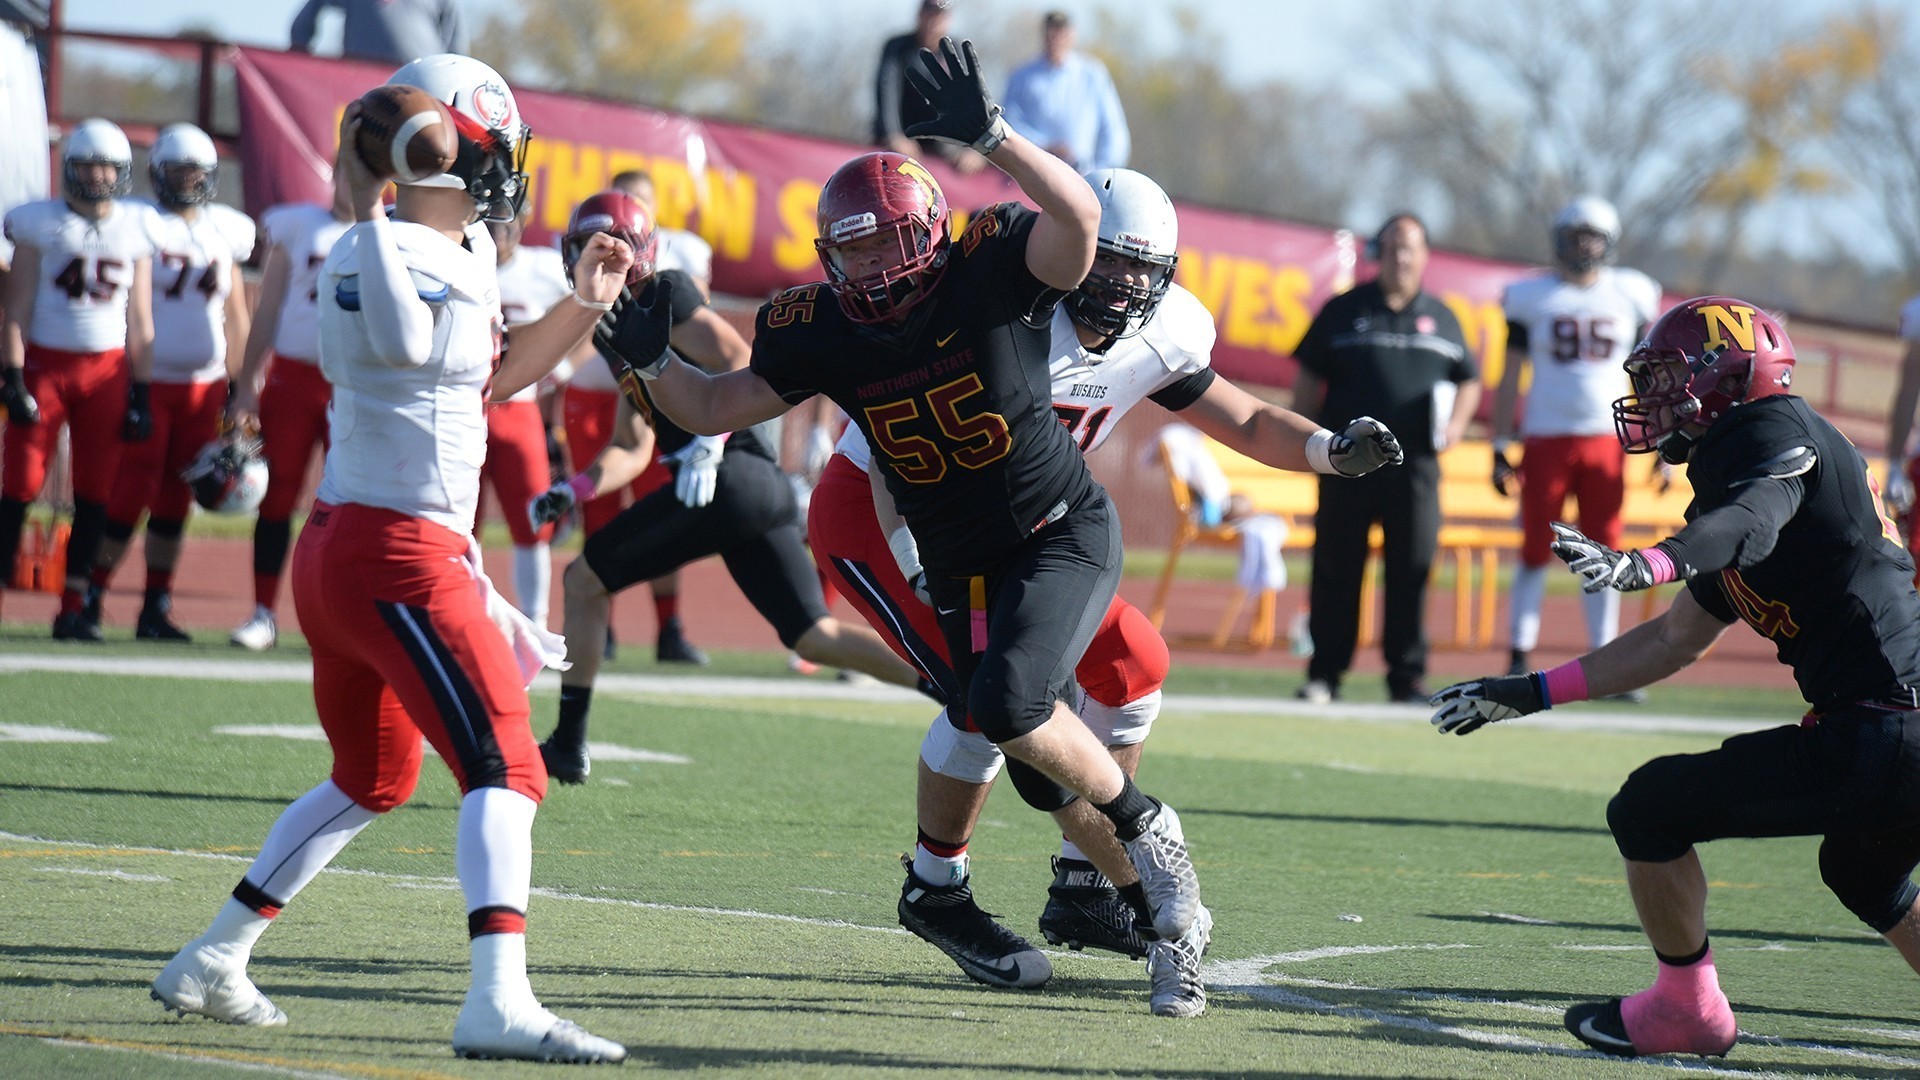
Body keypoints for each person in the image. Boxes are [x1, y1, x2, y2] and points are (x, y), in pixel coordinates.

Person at [595, 36, 1206, 964]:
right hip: (948, 549)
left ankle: (1110, 860)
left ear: (931, 232)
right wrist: (648, 359)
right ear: (827, 256)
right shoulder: (819, 325)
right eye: (858, 247)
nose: (879, 266)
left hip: (1046, 524)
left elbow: (1078, 223)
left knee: (1007, 704)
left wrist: (995, 136)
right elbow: (716, 402)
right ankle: (979, 887)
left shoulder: (990, 261)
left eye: (893, 240)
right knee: (991, 707)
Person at [807, 167, 1401, 1015]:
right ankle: (939, 886)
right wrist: (910, 557)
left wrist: (1328, 451)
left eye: (1141, 269)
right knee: (990, 704)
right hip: (890, 509)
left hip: (1023, 527)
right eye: (1110, 261)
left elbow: (1244, 417)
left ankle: (1089, 882)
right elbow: (894, 465)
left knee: (1132, 663)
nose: (1123, 285)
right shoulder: (997, 310)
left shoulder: (1161, 330)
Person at [151, 54, 628, 1064]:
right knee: (508, 765)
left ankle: (215, 955)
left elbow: (485, 382)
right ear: (446, 151)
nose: (506, 173)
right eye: (489, 152)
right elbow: (411, 348)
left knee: (373, 775)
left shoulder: (437, 249)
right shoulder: (388, 248)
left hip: (357, 548)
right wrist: (369, 207)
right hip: (395, 554)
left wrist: (580, 305)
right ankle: (497, 1000)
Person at [1429, 295, 1920, 1061]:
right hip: (1891, 728)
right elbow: (1672, 640)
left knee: (1651, 808)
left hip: (1885, 725)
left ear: (1727, 377)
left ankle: (1685, 1012)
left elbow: (1751, 517)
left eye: (1665, 376)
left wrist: (1651, 559)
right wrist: (1532, 691)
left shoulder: (1773, 433)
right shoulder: (1749, 470)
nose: (1652, 398)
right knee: (1861, 869)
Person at [529, 190, 928, 784]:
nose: (595, 260)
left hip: (731, 472)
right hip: (747, 488)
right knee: (814, 637)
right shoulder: (611, 328)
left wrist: (708, 442)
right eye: (585, 249)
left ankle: (567, 741)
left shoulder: (665, 292)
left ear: (638, 255)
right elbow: (634, 445)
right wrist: (579, 488)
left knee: (583, 581)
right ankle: (949, 687)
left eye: (607, 249)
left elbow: (740, 356)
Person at [1291, 212, 1480, 703]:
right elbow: (1309, 376)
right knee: (1336, 567)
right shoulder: (1342, 310)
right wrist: (1310, 437)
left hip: (1415, 468)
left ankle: (1406, 678)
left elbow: (1470, 379)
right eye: (1392, 246)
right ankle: (1325, 674)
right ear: (1379, 253)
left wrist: (1457, 425)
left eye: (1410, 247)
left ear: (1425, 255)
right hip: (1348, 464)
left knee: (1412, 568)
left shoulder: (1443, 317)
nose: (1401, 256)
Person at [86, 123, 254, 641]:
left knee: (179, 496)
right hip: (149, 381)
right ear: (158, 174)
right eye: (177, 172)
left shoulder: (225, 229)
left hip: (202, 387)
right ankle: (89, 591)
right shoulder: (136, 222)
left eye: (195, 173)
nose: (186, 183)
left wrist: (243, 386)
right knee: (131, 488)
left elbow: (236, 316)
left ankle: (155, 604)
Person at [0, 117, 157, 640]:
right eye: (87, 164)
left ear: (123, 172)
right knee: (19, 481)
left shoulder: (136, 227)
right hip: (47, 364)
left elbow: (140, 318)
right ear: (69, 169)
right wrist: (14, 376)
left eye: (107, 166)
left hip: (107, 371)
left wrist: (143, 391)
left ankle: (74, 606)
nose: (96, 175)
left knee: (96, 491)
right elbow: (16, 307)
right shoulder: (39, 224)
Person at [1494, 196, 1661, 679]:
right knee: (1533, 547)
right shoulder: (1531, 295)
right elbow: (1509, 375)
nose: (1582, 246)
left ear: (1608, 243)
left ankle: (1603, 655)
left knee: (1604, 550)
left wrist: (1664, 445)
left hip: (1607, 440)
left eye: (1591, 236)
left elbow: (1650, 376)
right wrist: (1499, 443)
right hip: (1545, 438)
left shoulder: (1630, 293)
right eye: (1574, 236)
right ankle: (1519, 652)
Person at [224, 189, 354, 651]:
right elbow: (270, 308)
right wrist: (245, 386)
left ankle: (347, 618)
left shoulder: (394, 230)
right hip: (294, 379)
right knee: (275, 495)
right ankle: (263, 612)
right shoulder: (298, 224)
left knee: (356, 504)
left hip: (357, 386)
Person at [586, 171, 708, 663]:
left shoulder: (680, 264)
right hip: (603, 388)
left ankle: (668, 626)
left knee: (662, 509)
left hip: (663, 387)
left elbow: (715, 342)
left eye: (639, 201)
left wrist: (714, 433)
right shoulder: (591, 249)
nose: (628, 211)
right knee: (599, 509)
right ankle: (601, 623)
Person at [486, 203, 568, 626]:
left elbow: (590, 309)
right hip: (466, 410)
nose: (501, 234)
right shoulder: (459, 261)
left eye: (508, 224)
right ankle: (463, 617)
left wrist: (564, 364)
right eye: (493, 224)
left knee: (534, 522)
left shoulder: (543, 269)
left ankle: (535, 622)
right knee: (456, 523)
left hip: (518, 411)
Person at [1000, 11, 1129, 174]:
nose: (1056, 38)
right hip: (1032, 172)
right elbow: (1010, 122)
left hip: (1082, 173)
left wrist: (1104, 173)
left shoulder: (1093, 74)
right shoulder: (1022, 76)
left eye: (1062, 32)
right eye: (1052, 32)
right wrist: (1044, 147)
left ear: (1072, 35)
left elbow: (1113, 129)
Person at [872, 0, 985, 176]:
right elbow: (887, 93)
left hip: (945, 151)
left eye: (939, 18)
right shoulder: (898, 48)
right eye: (929, 16)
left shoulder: (956, 51)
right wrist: (894, 134)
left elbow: (973, 100)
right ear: (919, 15)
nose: (933, 24)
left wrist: (978, 147)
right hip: (906, 144)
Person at [610, 169, 711, 298]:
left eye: (642, 199)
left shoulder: (684, 245)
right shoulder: (596, 245)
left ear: (655, 204)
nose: (634, 207)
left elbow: (700, 302)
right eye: (626, 201)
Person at [288, 0, 466, 66]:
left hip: (422, 87)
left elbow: (454, 38)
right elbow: (310, 11)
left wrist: (454, 73)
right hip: (362, 86)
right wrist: (300, 56)